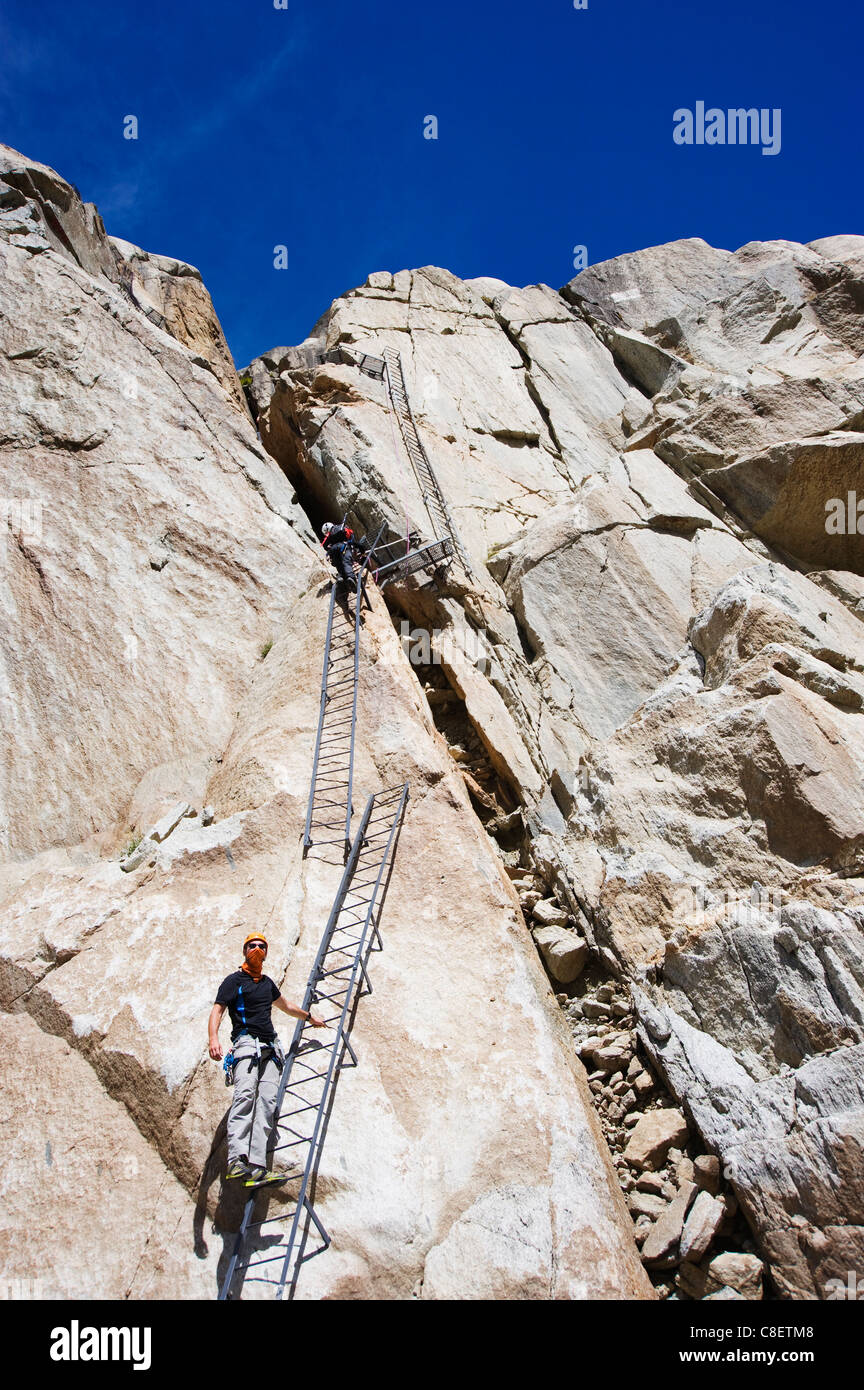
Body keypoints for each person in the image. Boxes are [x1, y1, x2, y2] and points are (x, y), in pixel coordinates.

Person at [208, 932, 327, 1186]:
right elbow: (217, 1011)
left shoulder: (266, 983)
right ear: (244, 950)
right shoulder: (233, 981)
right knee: (245, 1095)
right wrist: (213, 1039)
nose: (257, 949)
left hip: (270, 1048)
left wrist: (309, 1018)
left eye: (262, 946)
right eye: (252, 945)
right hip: (246, 1044)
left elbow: (285, 1005)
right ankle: (237, 1161)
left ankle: (258, 1167)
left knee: (267, 1104)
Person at [321, 521, 368, 591]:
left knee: (338, 563)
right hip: (344, 546)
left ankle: (341, 577)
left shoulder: (330, 536)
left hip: (334, 549)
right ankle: (351, 578)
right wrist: (363, 553)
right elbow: (356, 543)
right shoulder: (342, 529)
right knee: (346, 562)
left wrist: (330, 548)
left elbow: (325, 546)